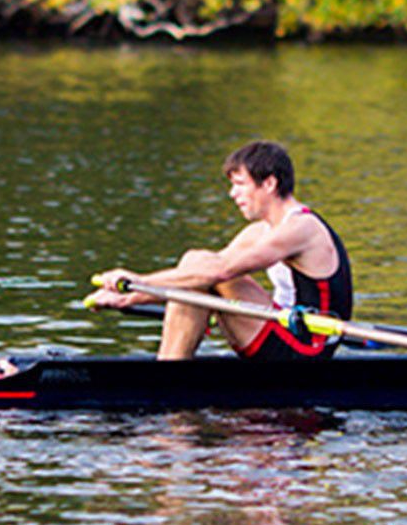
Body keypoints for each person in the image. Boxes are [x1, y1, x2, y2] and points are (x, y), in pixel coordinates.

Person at [89, 140, 353, 361]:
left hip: (309, 349)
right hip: (284, 332)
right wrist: (130, 297)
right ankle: (168, 366)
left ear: (269, 184)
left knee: (206, 266)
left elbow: (221, 271)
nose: (232, 194)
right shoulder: (260, 232)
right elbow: (199, 276)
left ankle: (167, 377)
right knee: (197, 262)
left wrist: (138, 282)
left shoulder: (301, 228)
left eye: (240, 184)